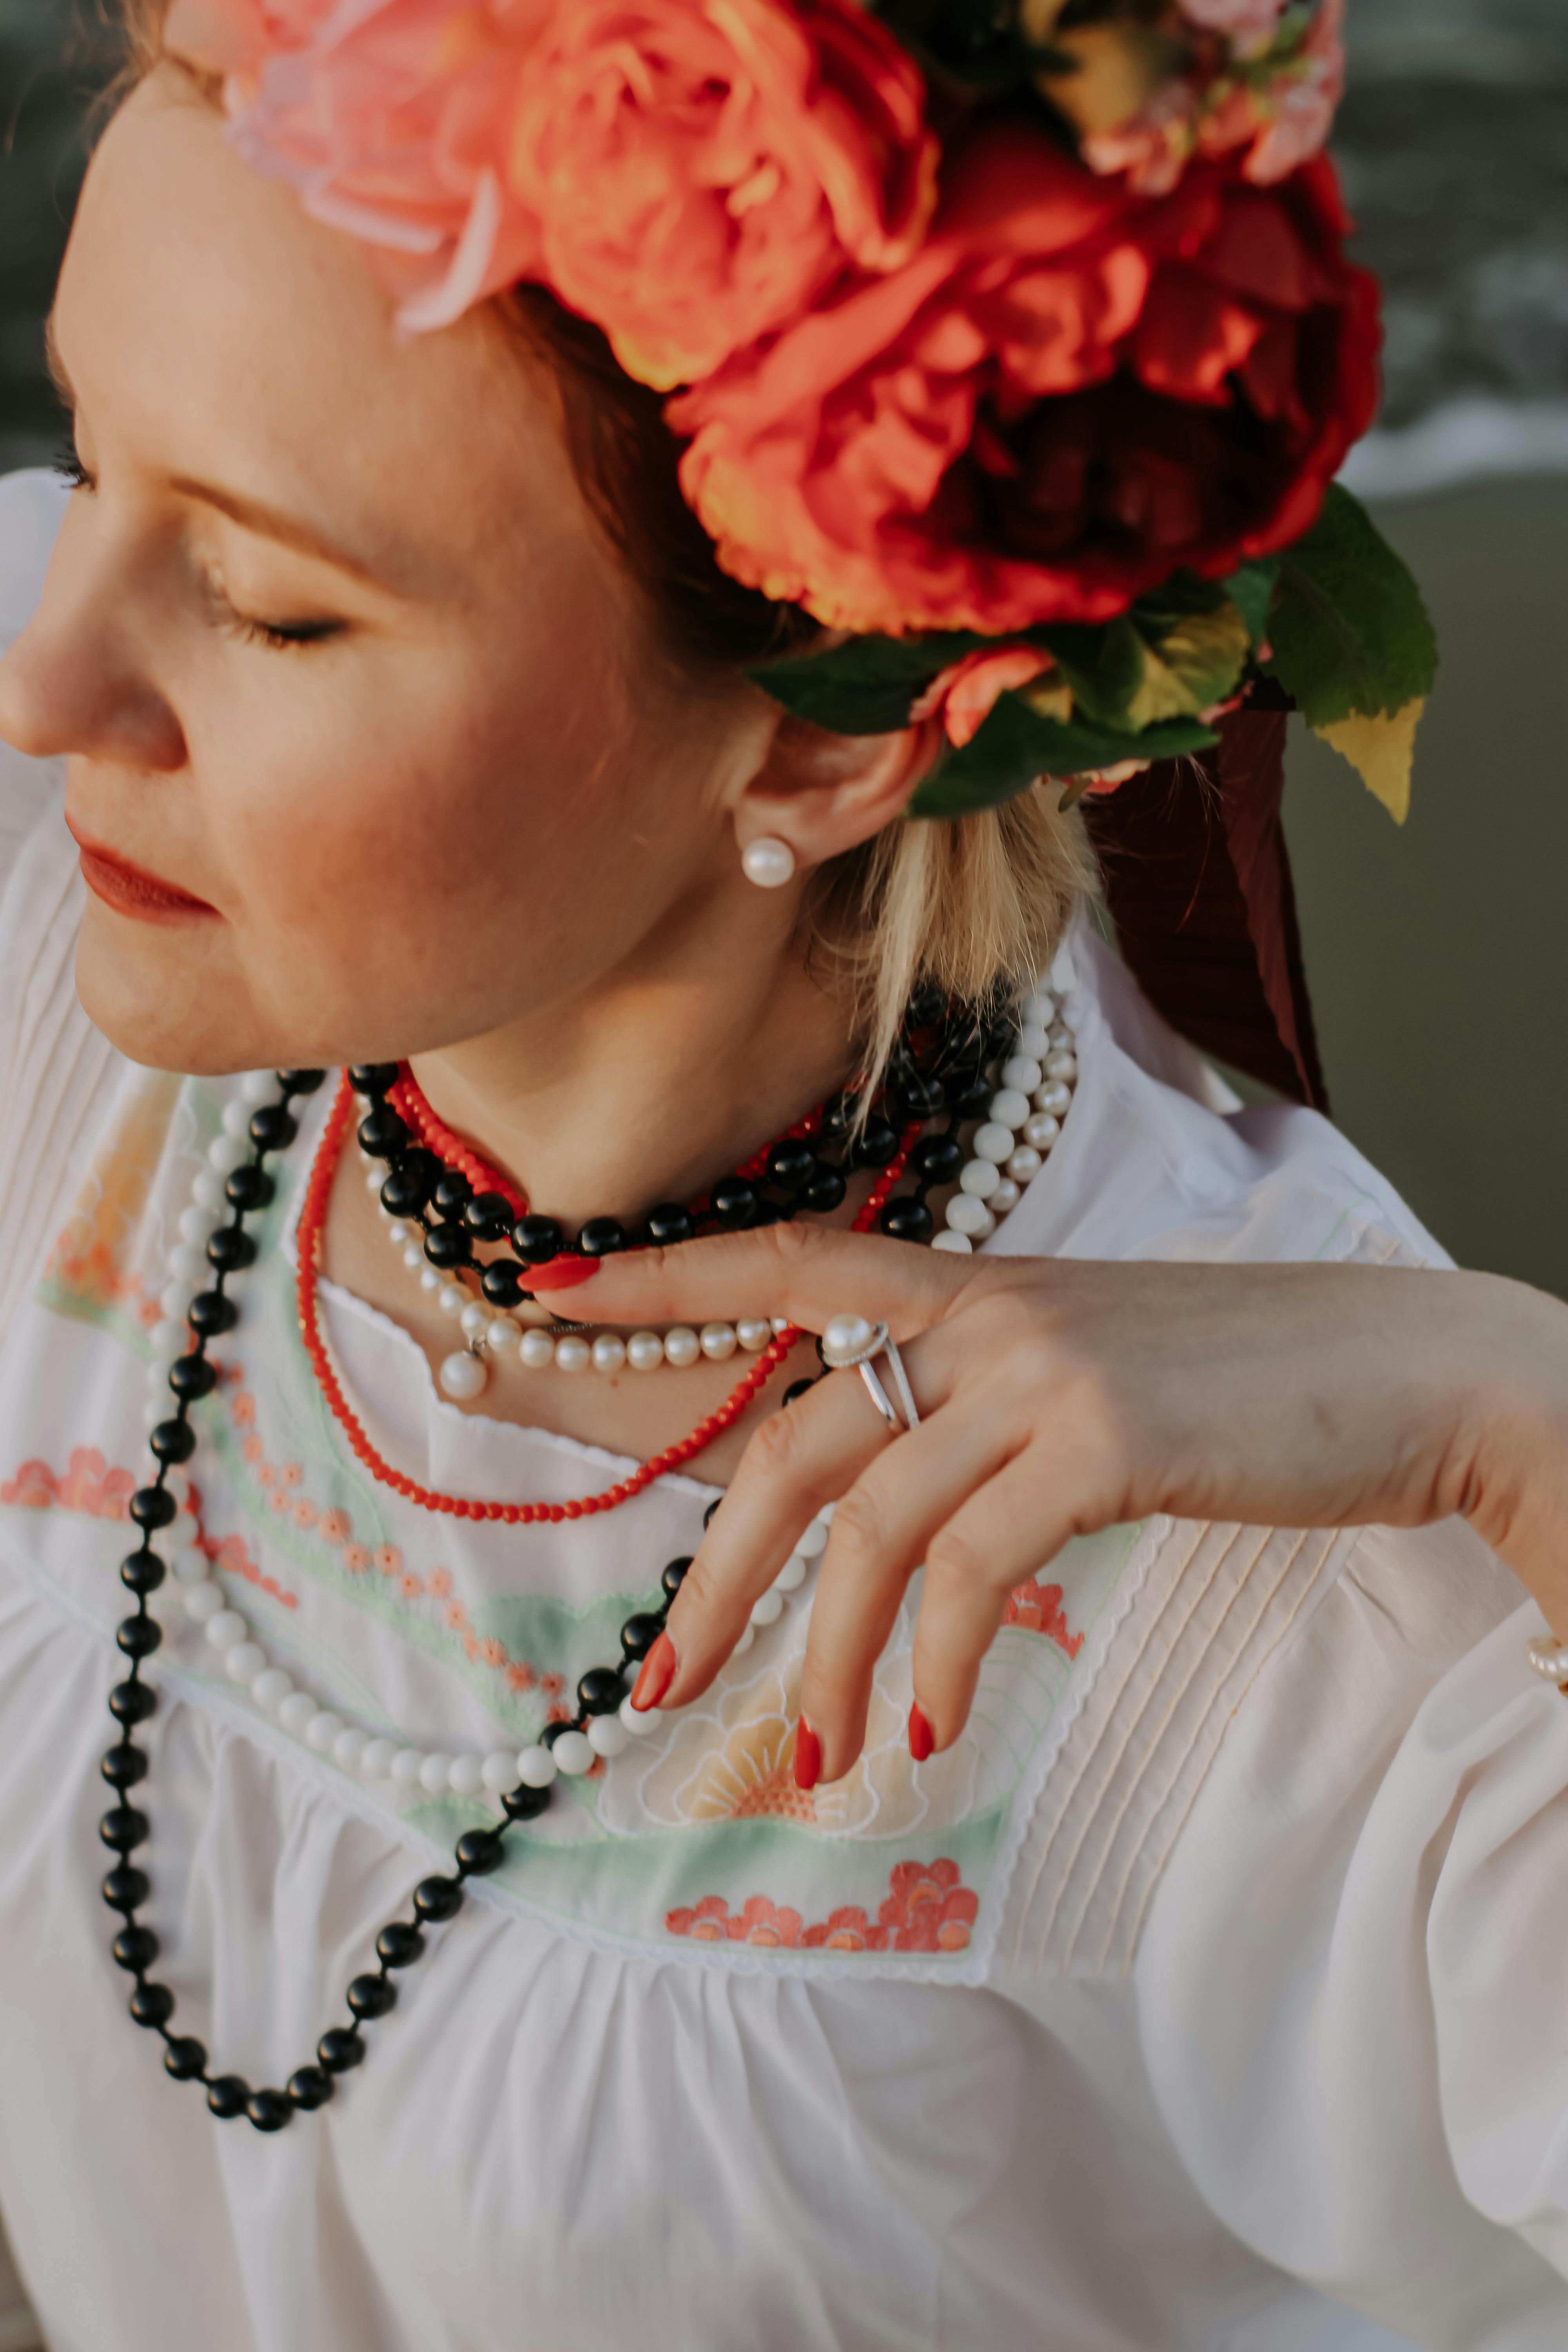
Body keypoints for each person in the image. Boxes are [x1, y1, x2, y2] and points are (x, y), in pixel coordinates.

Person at [0, 6, 1566, 2348]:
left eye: (273, 605)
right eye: (78, 448)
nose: (52, 673)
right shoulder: (81, 928)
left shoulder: (1301, 1582)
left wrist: (1524, 1416)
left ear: (830, 750)